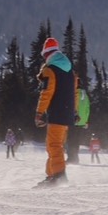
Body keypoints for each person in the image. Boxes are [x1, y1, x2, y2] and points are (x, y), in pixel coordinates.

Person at [33, 37, 76, 186]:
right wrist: (74, 112)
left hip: (57, 113)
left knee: (54, 145)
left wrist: (39, 112)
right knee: (54, 144)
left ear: (46, 54)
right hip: (67, 114)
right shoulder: (70, 71)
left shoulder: (50, 70)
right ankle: (52, 175)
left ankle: (59, 176)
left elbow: (47, 92)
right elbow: (73, 93)